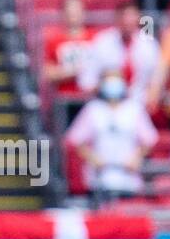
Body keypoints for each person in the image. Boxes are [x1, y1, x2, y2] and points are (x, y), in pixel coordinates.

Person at [66, 70, 157, 202]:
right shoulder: (93, 109)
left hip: (128, 176)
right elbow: (75, 139)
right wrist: (92, 157)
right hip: (100, 177)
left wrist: (136, 157)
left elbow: (149, 139)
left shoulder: (134, 109)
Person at [77, 1, 160, 104]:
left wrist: (152, 94)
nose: (127, 21)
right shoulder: (102, 42)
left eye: (131, 16)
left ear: (138, 18)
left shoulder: (149, 44)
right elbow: (87, 80)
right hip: (106, 104)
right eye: (124, 16)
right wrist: (105, 88)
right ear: (117, 19)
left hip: (140, 105)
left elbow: (157, 77)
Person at [43, 0, 94, 125]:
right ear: (62, 13)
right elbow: (48, 73)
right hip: (66, 102)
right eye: (70, 10)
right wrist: (76, 71)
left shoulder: (96, 39)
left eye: (77, 10)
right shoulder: (54, 41)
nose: (73, 14)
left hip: (92, 100)